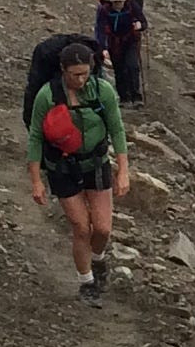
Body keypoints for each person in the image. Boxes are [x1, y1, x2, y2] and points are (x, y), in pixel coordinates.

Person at [27, 37, 130, 299]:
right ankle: (87, 282)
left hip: (95, 163)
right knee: (81, 227)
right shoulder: (47, 96)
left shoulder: (103, 91)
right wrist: (36, 180)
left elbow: (116, 129)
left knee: (103, 229)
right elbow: (36, 137)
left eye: (84, 74)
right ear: (63, 71)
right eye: (74, 75)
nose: (80, 80)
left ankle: (97, 258)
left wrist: (123, 170)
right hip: (62, 167)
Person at [94, 0, 148, 106]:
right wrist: (103, 48)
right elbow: (100, 29)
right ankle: (124, 98)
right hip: (114, 42)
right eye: (115, 1)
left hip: (131, 40)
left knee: (132, 66)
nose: (117, 4)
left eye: (120, 1)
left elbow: (143, 22)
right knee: (119, 69)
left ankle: (136, 97)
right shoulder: (104, 10)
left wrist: (140, 25)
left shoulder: (132, 6)